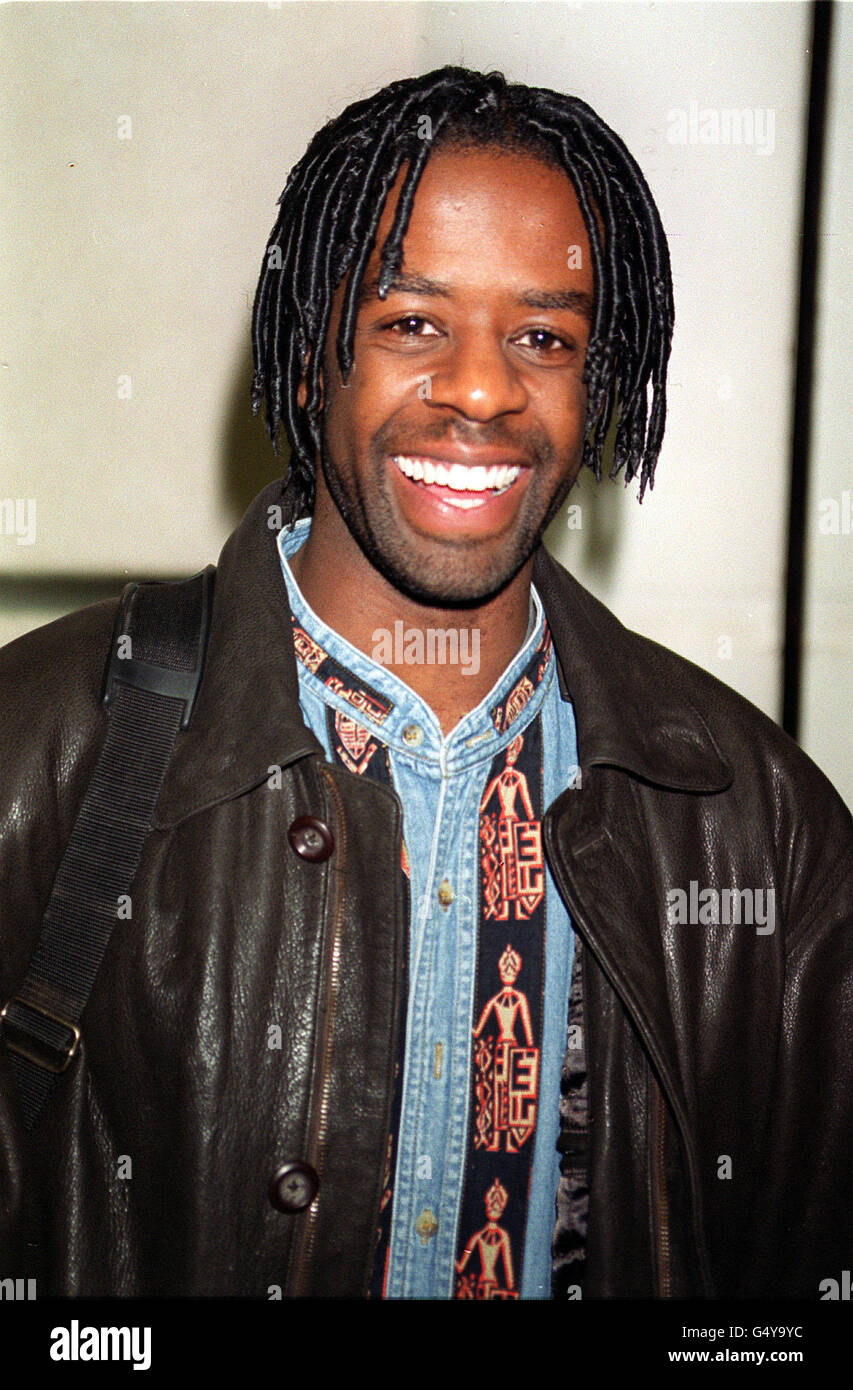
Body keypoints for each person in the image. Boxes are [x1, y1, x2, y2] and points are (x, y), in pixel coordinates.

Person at [0, 65, 850, 1301]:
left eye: (543, 338)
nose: (483, 388)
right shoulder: (46, 746)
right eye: (410, 323)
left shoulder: (755, 827)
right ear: (306, 362)